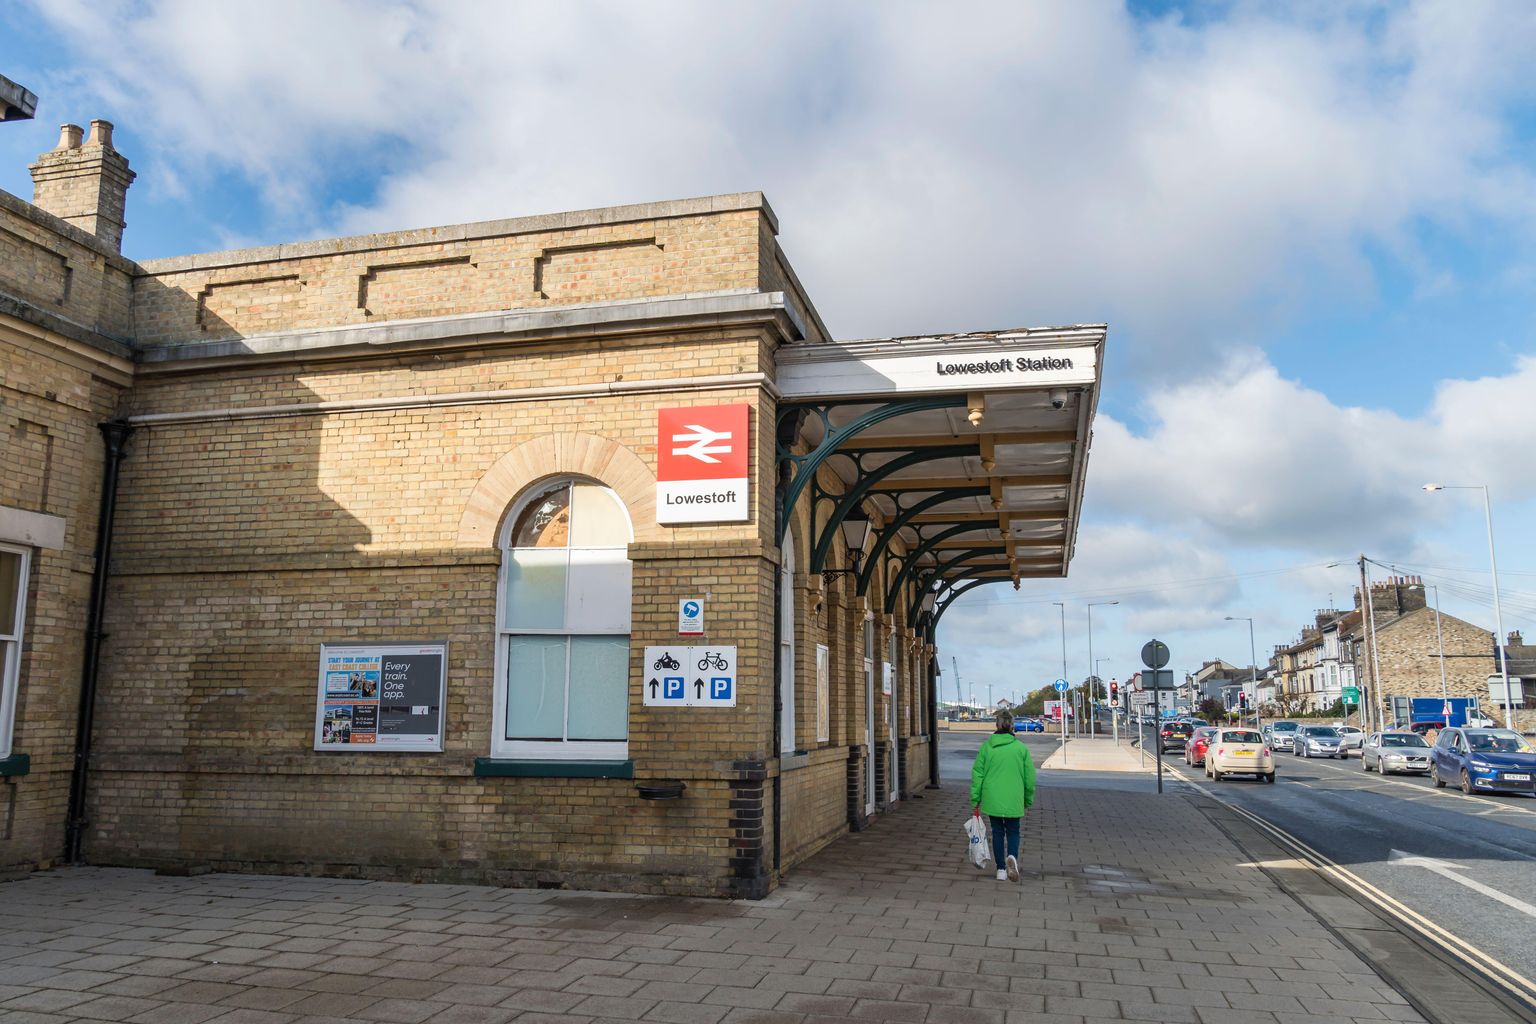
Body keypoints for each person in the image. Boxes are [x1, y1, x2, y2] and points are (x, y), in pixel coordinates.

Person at [970, 710, 1037, 882]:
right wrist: (1028, 798)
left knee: (997, 832)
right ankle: (1012, 857)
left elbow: (978, 774)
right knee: (1014, 831)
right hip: (1014, 796)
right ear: (1012, 726)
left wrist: (975, 798)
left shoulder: (987, 748)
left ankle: (1000, 869)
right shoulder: (1021, 749)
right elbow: (1030, 778)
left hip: (993, 797)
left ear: (997, 725)